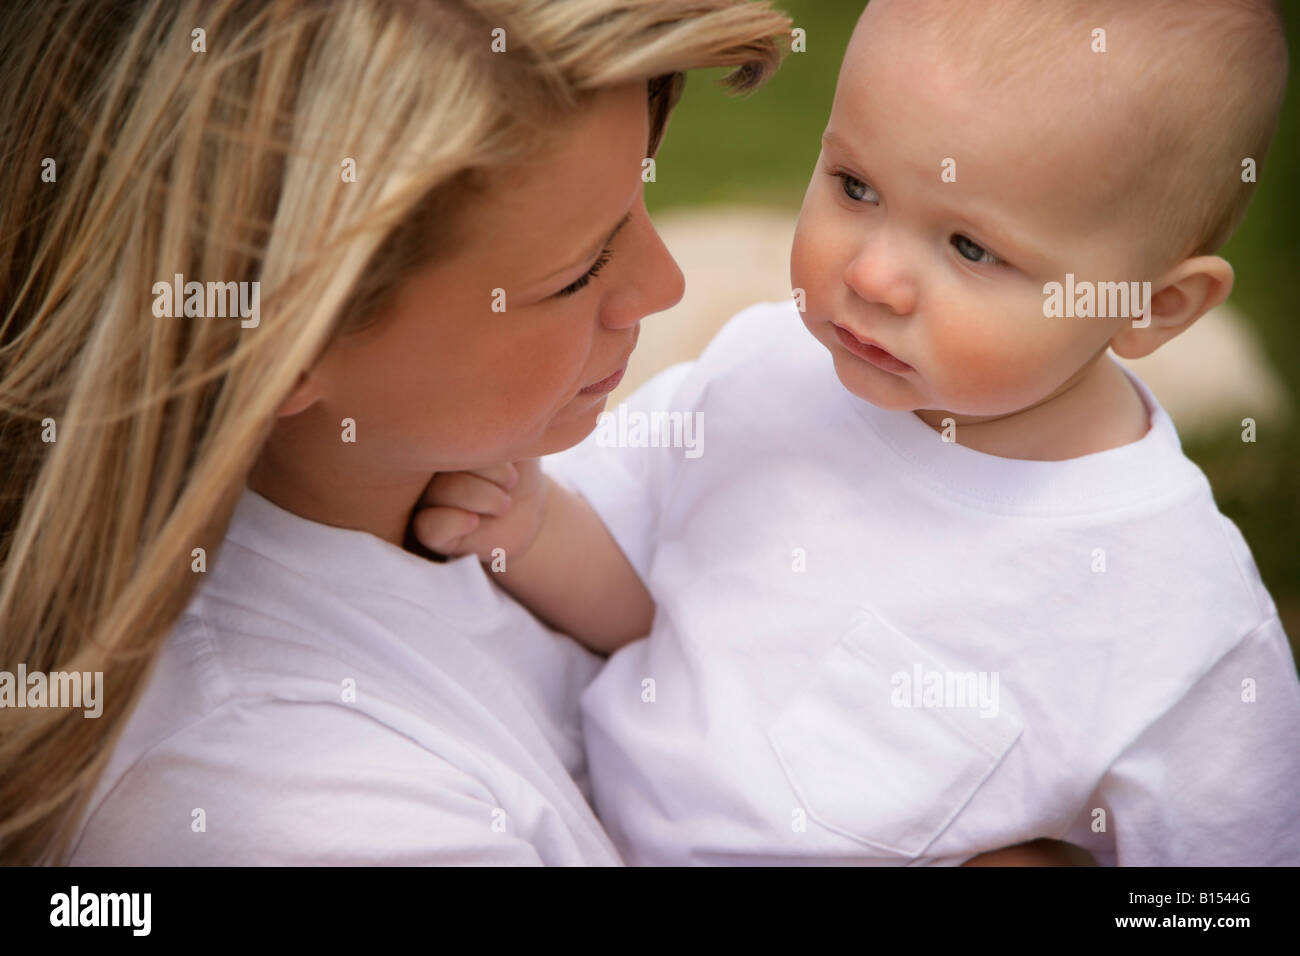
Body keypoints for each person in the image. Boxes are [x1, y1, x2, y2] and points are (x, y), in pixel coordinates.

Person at [417, 0, 1300, 865]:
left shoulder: (1177, 621)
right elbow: (656, 607)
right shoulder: (767, 369)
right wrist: (530, 529)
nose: (873, 275)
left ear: (1150, 305)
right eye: (856, 186)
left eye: (971, 249)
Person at [0, 0, 792, 865]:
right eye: (582, 272)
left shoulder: (467, 487)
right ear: (278, 343)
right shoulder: (289, 804)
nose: (665, 283)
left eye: (643, 195)